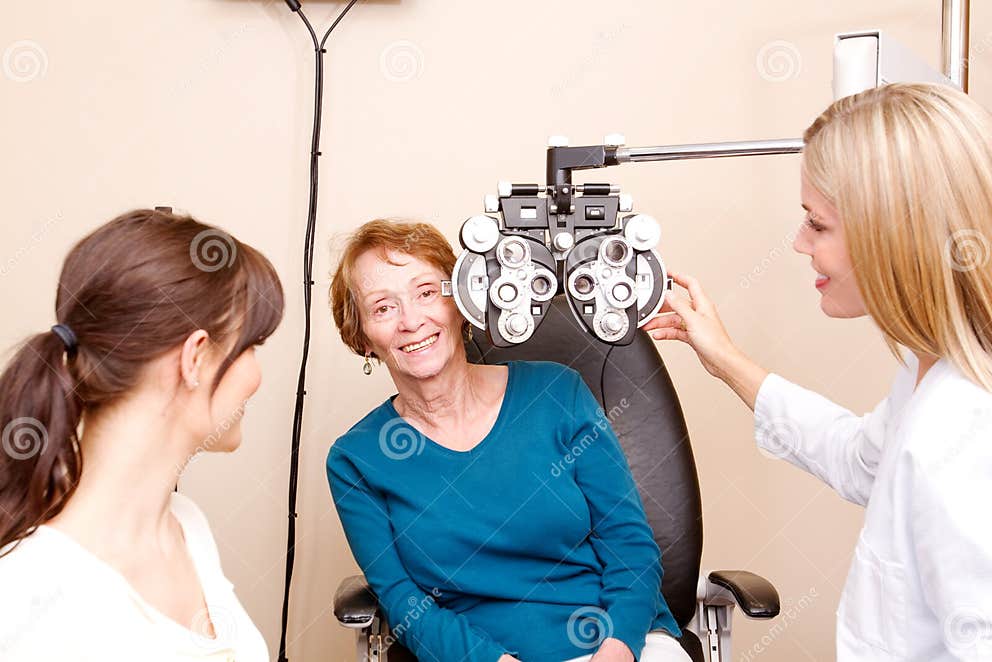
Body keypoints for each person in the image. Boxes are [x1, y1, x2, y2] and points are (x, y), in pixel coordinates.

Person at [644, 82, 992, 660]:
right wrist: (725, 359)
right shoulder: (930, 369)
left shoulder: (963, 434)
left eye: (818, 224)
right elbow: (858, 459)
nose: (800, 243)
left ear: (893, 235)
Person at [326, 219, 690, 662]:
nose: (411, 321)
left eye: (426, 292)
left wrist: (618, 648)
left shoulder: (558, 393)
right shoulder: (357, 459)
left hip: (618, 640)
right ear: (361, 336)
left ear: (463, 300)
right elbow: (402, 599)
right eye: (383, 307)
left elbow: (629, 543)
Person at [0, 209, 284, 661]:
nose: (257, 375)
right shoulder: (29, 595)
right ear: (194, 358)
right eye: (251, 347)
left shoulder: (186, 527)